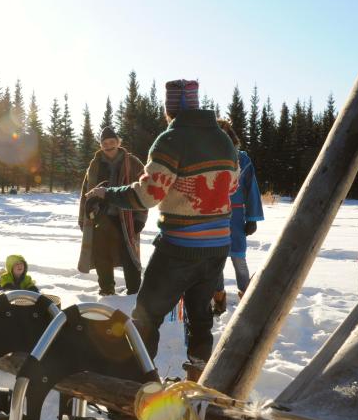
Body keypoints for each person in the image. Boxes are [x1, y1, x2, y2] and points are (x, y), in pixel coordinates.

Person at [86, 79, 238, 378]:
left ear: (170, 109)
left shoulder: (171, 140)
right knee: (200, 315)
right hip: (218, 244)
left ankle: (137, 382)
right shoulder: (223, 140)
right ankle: (198, 378)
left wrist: (108, 193)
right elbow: (230, 186)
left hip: (181, 247)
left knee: (146, 314)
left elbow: (147, 195)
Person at [78, 128, 146, 295]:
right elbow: (84, 193)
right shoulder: (94, 165)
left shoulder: (133, 162)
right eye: (105, 143)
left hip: (127, 217)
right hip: (101, 217)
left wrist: (140, 219)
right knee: (102, 256)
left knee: (130, 256)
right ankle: (106, 290)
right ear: (101, 145)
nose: (108, 146)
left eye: (111, 142)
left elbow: (145, 191)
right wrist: (83, 217)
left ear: (118, 142)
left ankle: (134, 293)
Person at [210, 118, 264, 314]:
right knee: (216, 261)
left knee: (239, 259)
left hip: (236, 215)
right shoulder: (207, 159)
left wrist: (252, 218)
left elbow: (252, 190)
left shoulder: (242, 159)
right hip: (213, 217)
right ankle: (219, 300)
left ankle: (246, 302)